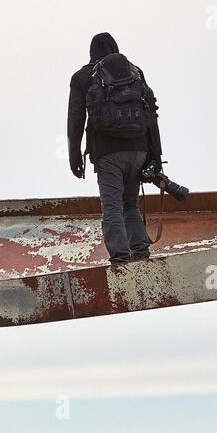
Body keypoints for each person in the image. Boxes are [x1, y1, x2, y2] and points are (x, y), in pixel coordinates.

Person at [67, 32, 164, 263]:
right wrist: (156, 156)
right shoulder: (135, 72)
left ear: (91, 53)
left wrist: (74, 156)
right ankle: (140, 251)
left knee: (112, 207)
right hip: (139, 149)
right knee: (129, 203)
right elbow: (151, 115)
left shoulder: (82, 77)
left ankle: (120, 257)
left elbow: (75, 119)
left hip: (108, 153)